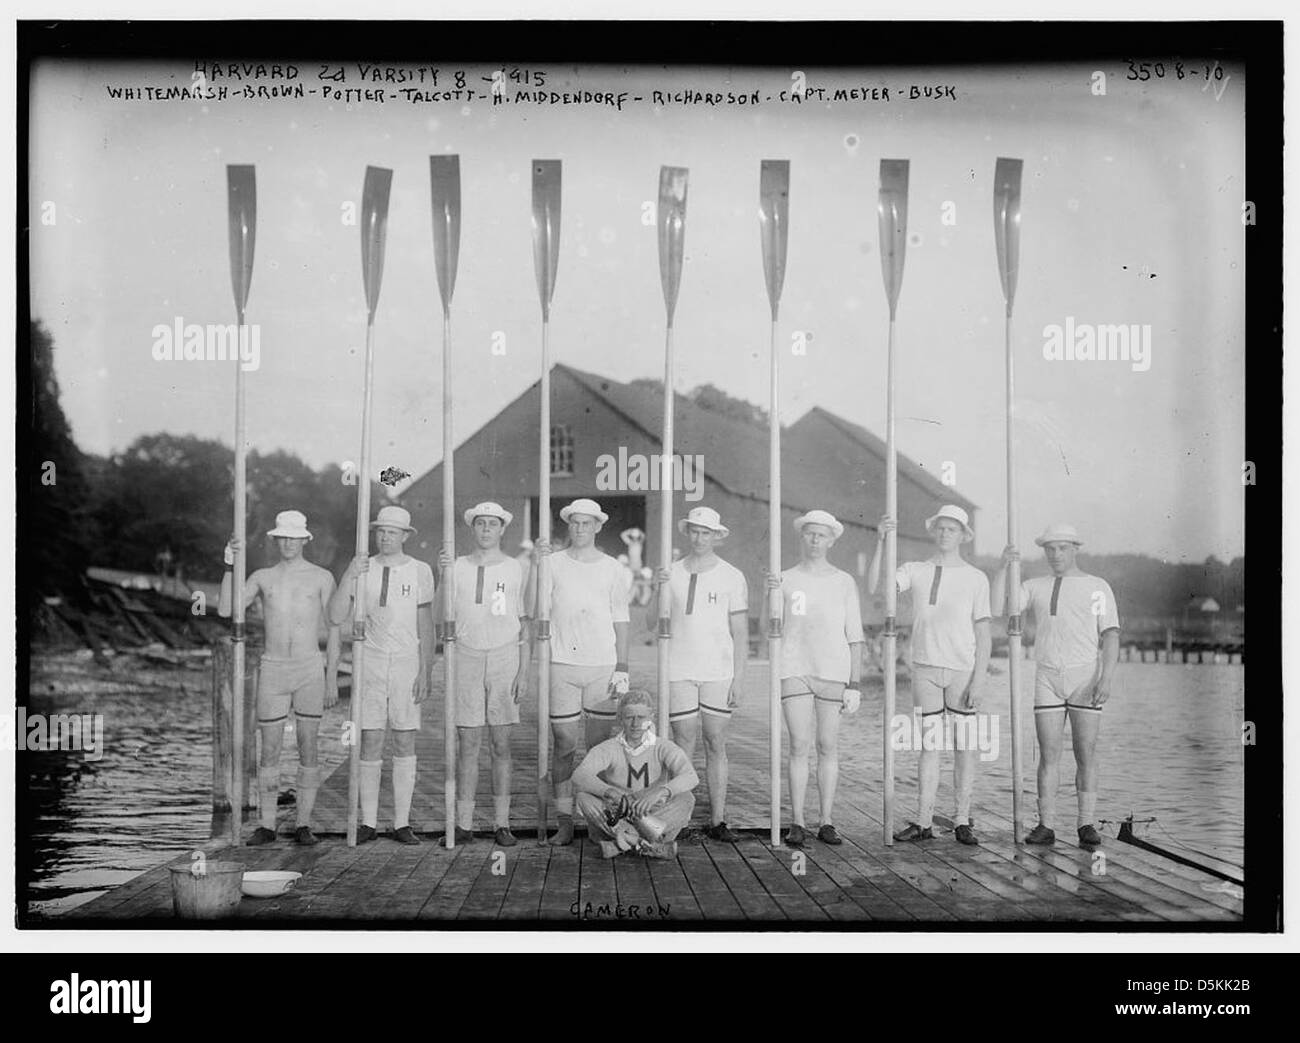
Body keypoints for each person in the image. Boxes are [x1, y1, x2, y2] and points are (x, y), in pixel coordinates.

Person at [992, 522, 1120, 848]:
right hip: (1047, 676)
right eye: (1050, 549)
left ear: (1076, 549)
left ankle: (1085, 823)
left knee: (1085, 754)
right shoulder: (1034, 585)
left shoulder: (1097, 586)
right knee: (1048, 756)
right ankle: (1046, 824)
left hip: (1085, 677)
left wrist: (1105, 677)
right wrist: (1003, 567)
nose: (1055, 554)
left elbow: (1111, 635)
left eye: (1062, 548)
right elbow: (998, 608)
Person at [870, 505, 991, 846]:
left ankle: (962, 820)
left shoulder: (975, 578)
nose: (944, 534)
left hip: (962, 669)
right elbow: (881, 591)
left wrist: (979, 679)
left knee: (965, 747)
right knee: (929, 746)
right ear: (933, 531)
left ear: (962, 535)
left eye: (951, 529)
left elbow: (983, 635)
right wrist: (880, 542)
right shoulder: (916, 570)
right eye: (940, 528)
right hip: (924, 666)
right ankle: (923, 821)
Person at [220, 510, 340, 846]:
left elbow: (334, 629)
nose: (288, 543)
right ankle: (267, 825)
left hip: (309, 667)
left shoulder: (321, 577)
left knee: (308, 746)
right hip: (273, 667)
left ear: (305, 540)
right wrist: (230, 564)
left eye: (294, 537)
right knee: (269, 749)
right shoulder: (263, 577)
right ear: (276, 541)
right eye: (282, 537)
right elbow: (227, 610)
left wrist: (331, 677)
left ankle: (303, 824)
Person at [327, 505, 436, 845]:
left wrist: (426, 670)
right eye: (380, 531)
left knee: (404, 739)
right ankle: (369, 823)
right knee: (370, 740)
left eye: (392, 532)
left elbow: (426, 625)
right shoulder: (364, 568)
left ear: (405, 536)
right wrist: (348, 574)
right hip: (370, 660)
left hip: (406, 661)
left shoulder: (420, 571)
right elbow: (334, 616)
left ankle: (401, 823)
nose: (385, 537)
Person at [531, 498, 632, 846]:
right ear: (568, 526)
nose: (579, 529)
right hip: (562, 664)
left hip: (601, 665)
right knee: (564, 743)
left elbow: (621, 619)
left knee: (599, 748)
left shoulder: (613, 568)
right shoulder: (552, 563)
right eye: (574, 523)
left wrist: (623, 666)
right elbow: (535, 608)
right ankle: (564, 821)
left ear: (598, 526)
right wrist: (534, 565)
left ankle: (598, 819)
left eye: (586, 523)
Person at [766, 510, 863, 848]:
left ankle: (826, 820)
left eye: (821, 535)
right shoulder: (785, 578)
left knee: (827, 745)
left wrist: (855, 683)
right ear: (802, 537)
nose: (815, 540)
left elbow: (855, 636)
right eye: (809, 534)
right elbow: (771, 627)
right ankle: (796, 821)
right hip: (794, 668)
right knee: (798, 745)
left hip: (833, 671)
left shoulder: (844, 581)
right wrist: (770, 594)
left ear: (832, 540)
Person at [436, 502, 529, 847]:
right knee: (468, 743)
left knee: (501, 744)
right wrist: (443, 575)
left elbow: (523, 623)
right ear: (472, 529)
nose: (486, 529)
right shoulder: (456, 566)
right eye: (481, 524)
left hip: (504, 656)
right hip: (466, 655)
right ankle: (463, 823)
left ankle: (501, 824)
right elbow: (437, 613)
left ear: (502, 529)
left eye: (493, 524)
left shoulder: (515, 567)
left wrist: (524, 671)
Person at [653, 506, 748, 842]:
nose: (699, 538)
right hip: (679, 668)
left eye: (706, 532)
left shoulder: (732, 576)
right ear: (687, 533)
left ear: (716, 536)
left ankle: (718, 819)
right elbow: (657, 622)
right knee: (682, 744)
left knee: (715, 742)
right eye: (694, 531)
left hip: (717, 671)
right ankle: (680, 818)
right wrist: (658, 588)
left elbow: (740, 632)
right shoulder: (672, 572)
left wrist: (738, 677)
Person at [573, 688, 699, 859]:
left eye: (641, 717)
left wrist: (660, 792)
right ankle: (648, 845)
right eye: (629, 717)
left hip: (652, 813)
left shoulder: (663, 746)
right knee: (583, 797)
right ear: (620, 719)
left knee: (686, 798)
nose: (635, 724)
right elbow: (579, 775)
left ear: (651, 717)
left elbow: (691, 776)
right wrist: (610, 792)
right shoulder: (609, 747)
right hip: (620, 814)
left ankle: (623, 844)